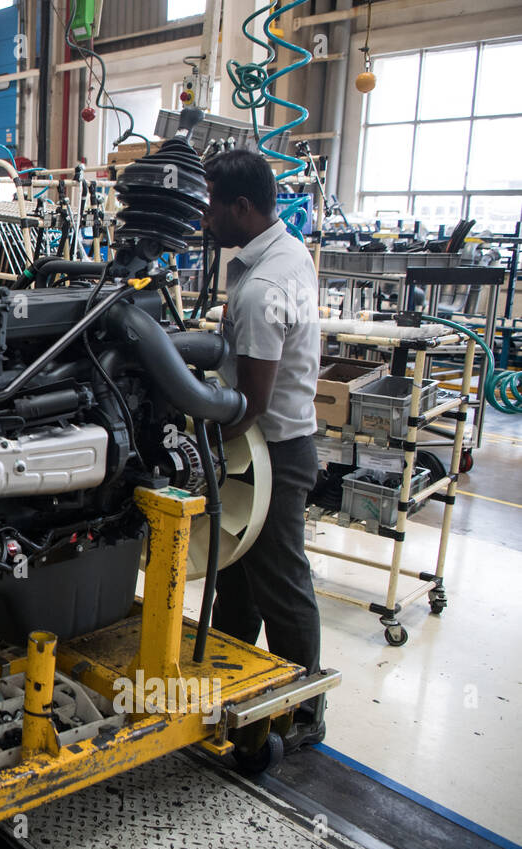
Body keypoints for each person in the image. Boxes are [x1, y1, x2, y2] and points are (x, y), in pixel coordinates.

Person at [201, 149, 324, 751]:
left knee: (280, 582)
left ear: (242, 207)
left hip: (271, 451)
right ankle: (232, 684)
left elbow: (249, 402)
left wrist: (192, 443)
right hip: (276, 443)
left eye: (212, 204)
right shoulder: (287, 250)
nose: (205, 218)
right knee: (239, 580)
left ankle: (305, 711)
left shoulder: (263, 285)